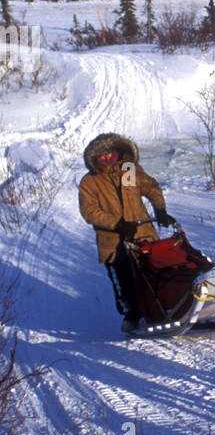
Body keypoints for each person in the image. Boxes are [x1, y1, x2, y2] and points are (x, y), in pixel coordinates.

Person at [78, 133, 175, 333]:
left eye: (109, 153)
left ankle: (161, 307)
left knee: (154, 273)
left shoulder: (129, 171)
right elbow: (89, 212)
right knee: (123, 281)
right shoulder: (90, 181)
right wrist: (117, 224)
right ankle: (132, 316)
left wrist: (160, 209)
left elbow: (151, 188)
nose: (106, 158)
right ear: (94, 159)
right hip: (112, 241)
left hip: (142, 234)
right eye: (101, 156)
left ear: (117, 152)